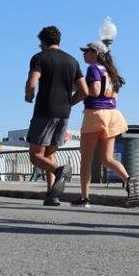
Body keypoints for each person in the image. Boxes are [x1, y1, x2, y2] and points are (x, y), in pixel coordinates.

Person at [70, 41, 139, 207]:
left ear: (95, 53)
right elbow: (113, 96)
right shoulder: (110, 72)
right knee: (107, 158)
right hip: (113, 115)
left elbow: (94, 90)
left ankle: (84, 198)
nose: (84, 54)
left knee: (86, 159)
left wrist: (73, 99)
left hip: (95, 114)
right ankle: (129, 181)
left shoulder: (93, 68)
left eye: (86, 51)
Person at [24, 26, 88, 207]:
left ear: (43, 43)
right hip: (64, 113)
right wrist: (69, 103)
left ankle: (60, 170)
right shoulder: (73, 61)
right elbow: (84, 91)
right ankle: (52, 195)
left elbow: (32, 82)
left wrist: (29, 96)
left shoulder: (40, 58)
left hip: (45, 111)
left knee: (36, 156)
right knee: (50, 154)